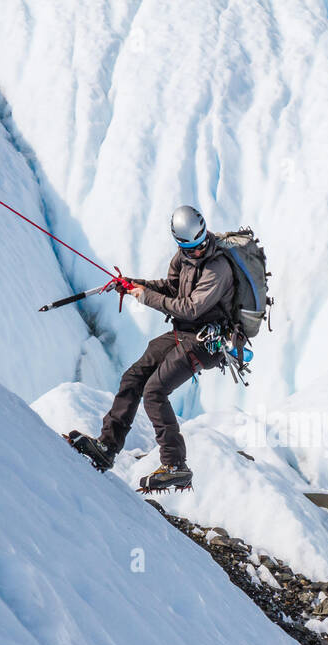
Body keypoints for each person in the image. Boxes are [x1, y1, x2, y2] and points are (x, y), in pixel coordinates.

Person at [69, 205, 234, 492]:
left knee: (155, 391)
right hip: (183, 333)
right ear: (180, 242)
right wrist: (134, 284)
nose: (197, 251)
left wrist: (145, 297)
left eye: (200, 245)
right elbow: (172, 290)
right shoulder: (182, 259)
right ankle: (107, 447)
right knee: (134, 378)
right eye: (190, 248)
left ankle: (175, 465)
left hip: (206, 342)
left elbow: (191, 307)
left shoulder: (217, 267)